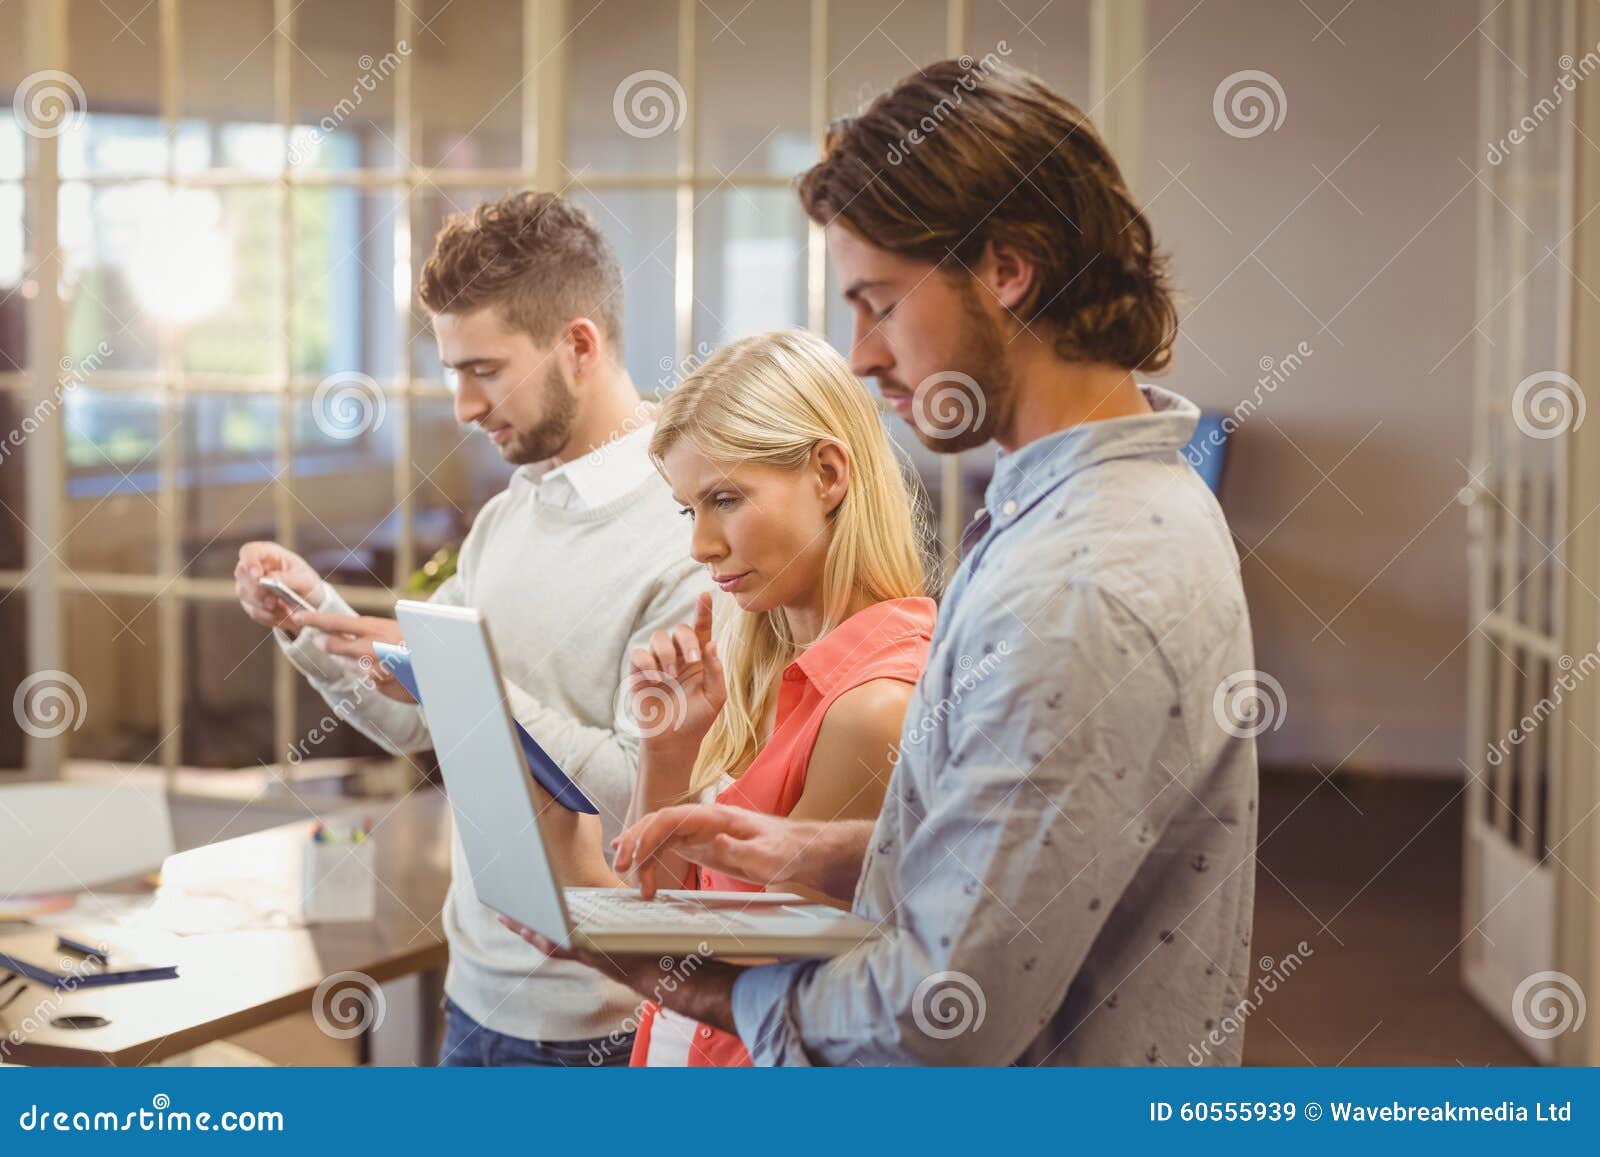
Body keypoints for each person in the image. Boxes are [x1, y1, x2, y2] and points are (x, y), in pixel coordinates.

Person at [505, 60, 1259, 1066]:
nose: (859, 353)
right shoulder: (1102, 507)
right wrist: (828, 850)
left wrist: (675, 975)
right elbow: (1039, 859)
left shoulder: (1079, 586)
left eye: (879, 302)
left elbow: (936, 1018)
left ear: (1006, 269)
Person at [233, 191, 707, 1066]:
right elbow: (419, 718)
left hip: (597, 1024)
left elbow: (645, 807)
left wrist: (485, 689)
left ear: (578, 345)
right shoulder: (508, 517)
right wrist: (316, 618)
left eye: (484, 369)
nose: (461, 404)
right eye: (453, 369)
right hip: (475, 995)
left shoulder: (688, 537)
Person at [512, 329, 937, 1066]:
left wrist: (572, 884)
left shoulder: (872, 707)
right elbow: (671, 903)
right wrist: (669, 750)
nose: (701, 545)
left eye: (726, 500)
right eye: (688, 510)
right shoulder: (774, 667)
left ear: (829, 474)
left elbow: (772, 986)